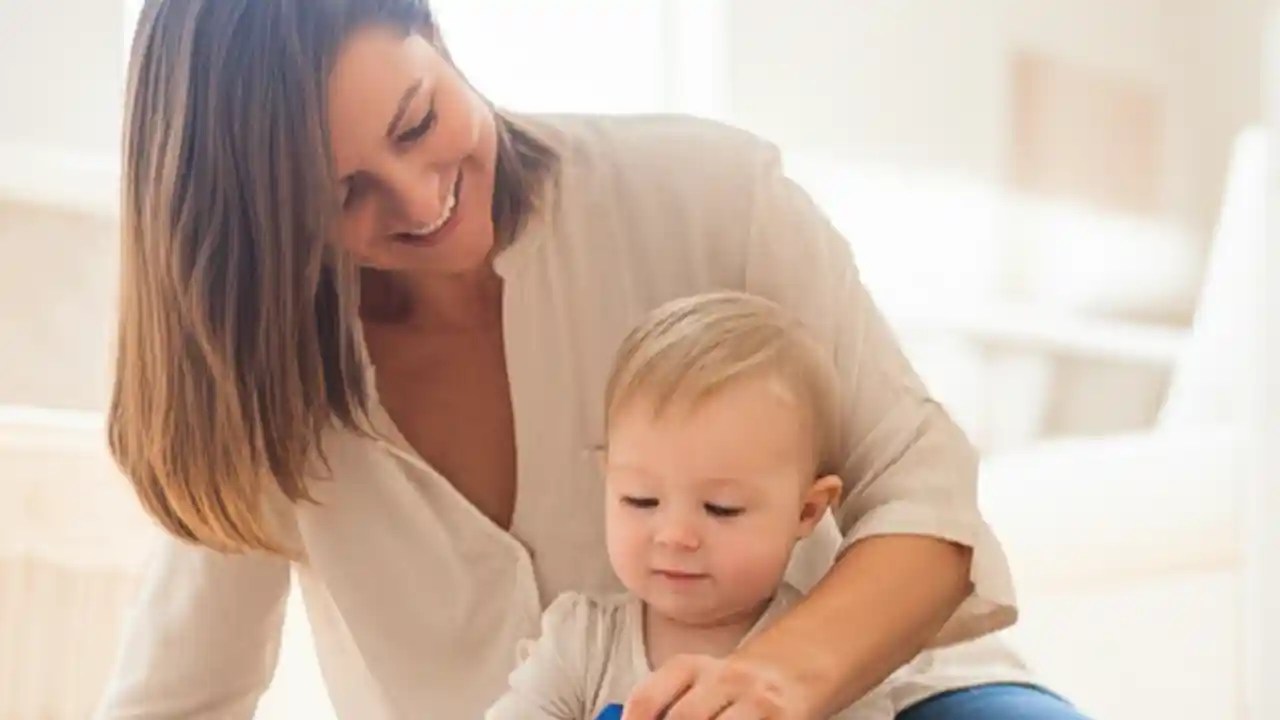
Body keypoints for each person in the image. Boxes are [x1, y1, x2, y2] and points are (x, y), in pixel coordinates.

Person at [98, 1, 1088, 718]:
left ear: (437, 38)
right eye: (341, 192)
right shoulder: (257, 387)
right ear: (263, 225)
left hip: (885, 698)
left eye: (416, 120)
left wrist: (777, 677)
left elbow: (925, 500)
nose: (418, 200)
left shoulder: (708, 195)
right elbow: (178, 693)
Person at [486, 292, 894, 720]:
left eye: (721, 508)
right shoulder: (580, 640)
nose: (675, 536)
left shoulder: (822, 663)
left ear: (807, 511)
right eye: (641, 500)